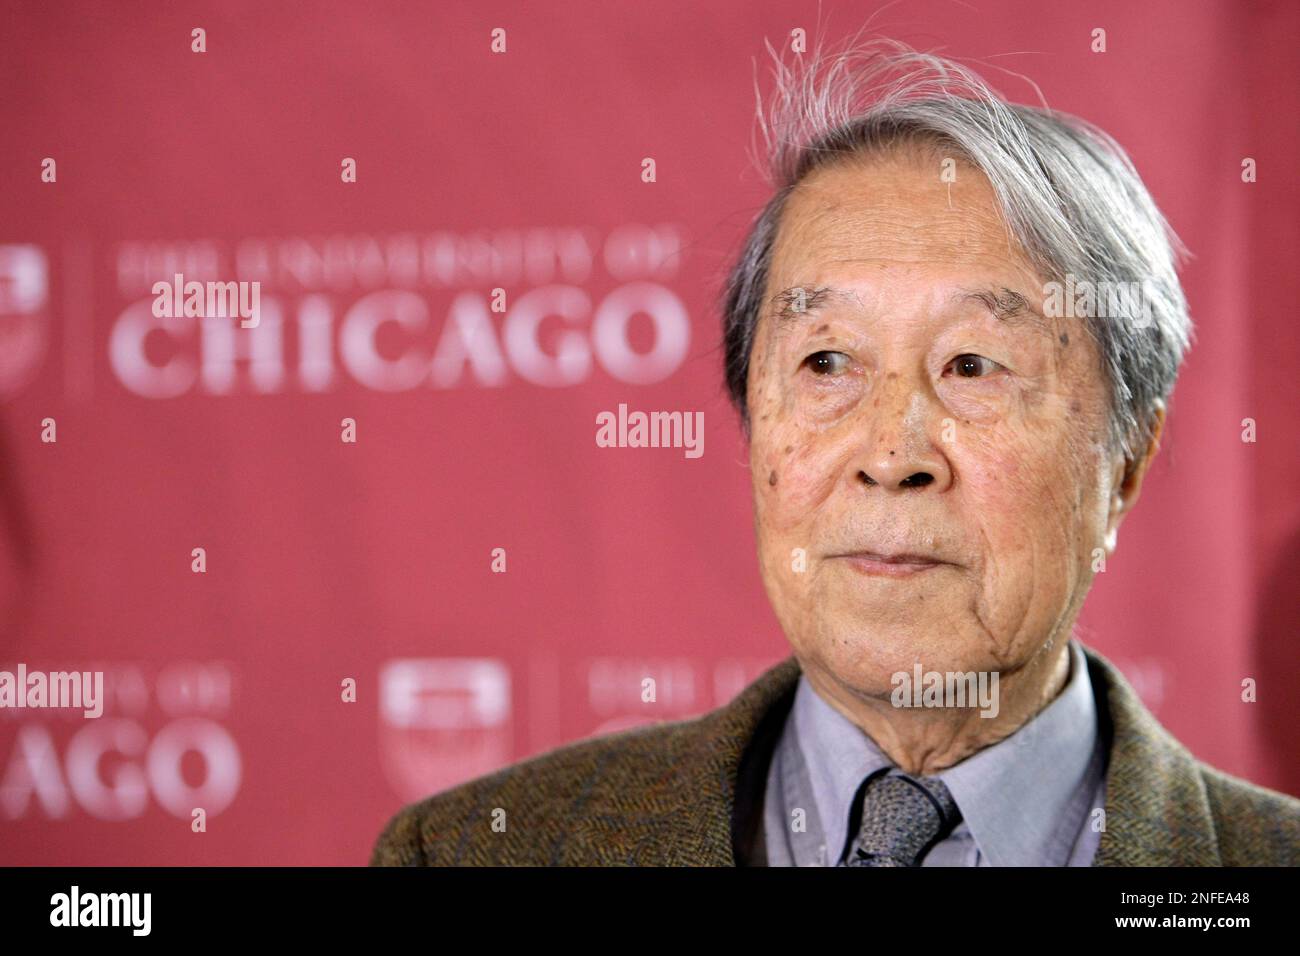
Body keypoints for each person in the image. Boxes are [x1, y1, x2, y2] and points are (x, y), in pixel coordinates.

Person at [370, 38, 1300, 867]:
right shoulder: (476, 852)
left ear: (1127, 457)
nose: (891, 454)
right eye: (827, 361)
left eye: (972, 366)